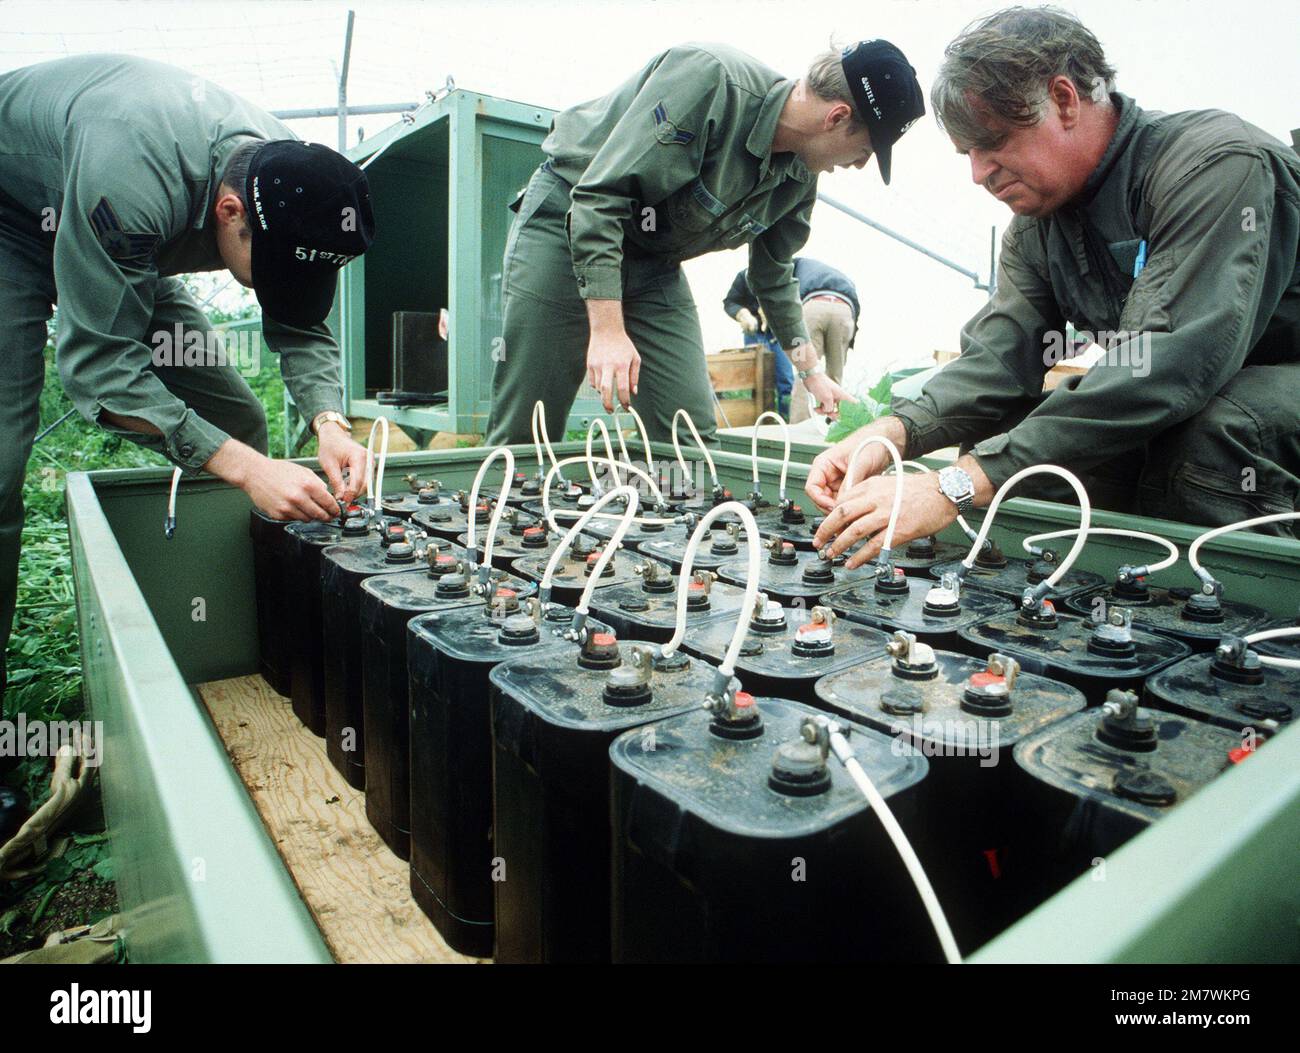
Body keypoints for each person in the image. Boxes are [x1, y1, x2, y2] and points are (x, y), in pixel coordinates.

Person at [810, 6, 1300, 568]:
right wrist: (895, 431)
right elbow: (1001, 358)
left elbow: (1166, 362)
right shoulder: (1039, 226)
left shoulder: (1215, 167)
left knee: (1219, 430)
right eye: (968, 154)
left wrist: (956, 484)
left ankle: (1242, 610)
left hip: (1270, 384)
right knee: (1014, 438)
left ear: (1064, 100)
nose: (979, 173)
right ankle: (1072, 600)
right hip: (1198, 387)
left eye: (992, 142)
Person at [0, 55, 376, 690]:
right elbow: (100, 370)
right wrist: (248, 470)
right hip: (15, 217)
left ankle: (228, 623)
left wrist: (329, 423)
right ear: (229, 212)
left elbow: (299, 320)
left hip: (127, 242)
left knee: (236, 422)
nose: (284, 287)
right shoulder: (132, 174)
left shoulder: (295, 179)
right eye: (276, 271)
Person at [484, 39, 923, 446]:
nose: (858, 165)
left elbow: (773, 274)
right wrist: (607, 330)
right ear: (837, 118)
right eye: (864, 151)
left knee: (687, 431)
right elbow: (601, 197)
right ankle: (506, 497)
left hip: (652, 261)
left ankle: (655, 504)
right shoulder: (708, 79)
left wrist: (811, 373)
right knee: (530, 420)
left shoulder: (799, 176)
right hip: (568, 222)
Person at [726, 257, 861, 423]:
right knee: (834, 375)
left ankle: (798, 426)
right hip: (845, 310)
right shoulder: (808, 269)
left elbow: (787, 304)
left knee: (806, 374)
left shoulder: (786, 269)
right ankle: (835, 425)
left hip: (811, 309)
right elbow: (731, 302)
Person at [721, 278, 793, 418]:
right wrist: (742, 314)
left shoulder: (781, 274)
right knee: (758, 383)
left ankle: (787, 419)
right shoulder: (743, 277)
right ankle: (761, 422)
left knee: (786, 382)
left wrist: (774, 310)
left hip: (778, 334)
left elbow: (794, 299)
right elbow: (730, 302)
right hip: (753, 333)